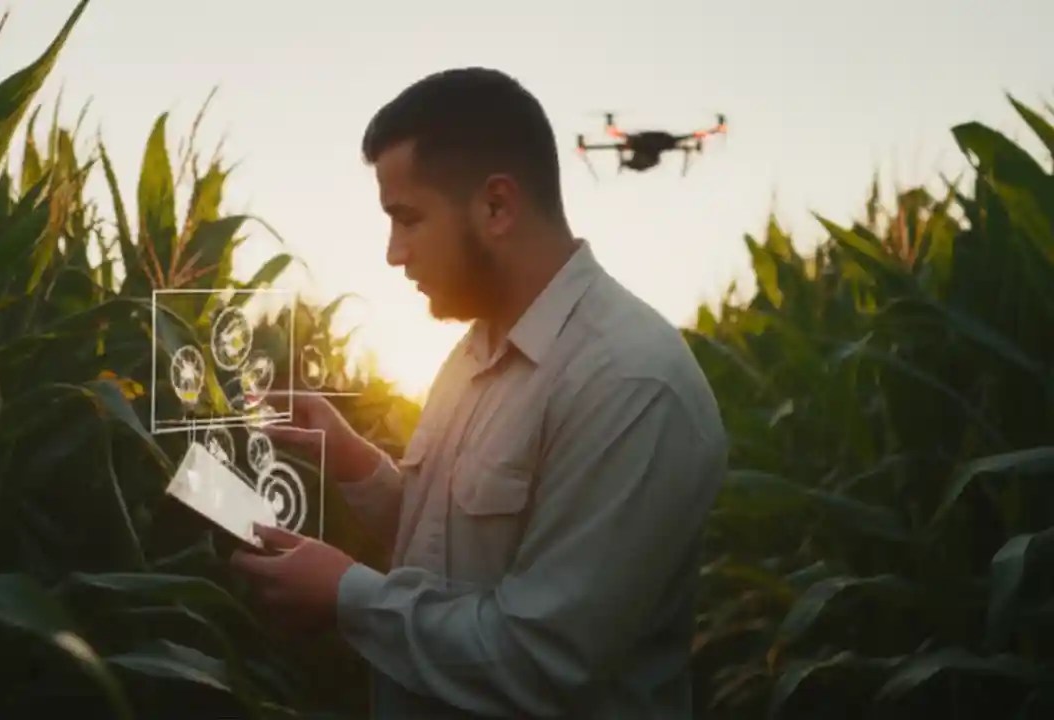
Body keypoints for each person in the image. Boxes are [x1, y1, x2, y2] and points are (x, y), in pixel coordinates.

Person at [230, 66, 728, 719]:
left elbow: (542, 660)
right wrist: (355, 464)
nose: (393, 253)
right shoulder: (475, 351)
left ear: (497, 207)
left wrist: (346, 595)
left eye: (407, 219)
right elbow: (456, 554)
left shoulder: (628, 384)